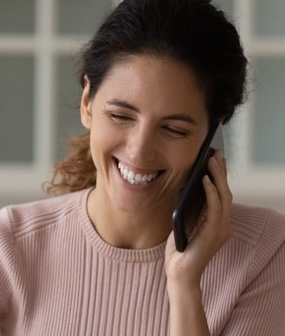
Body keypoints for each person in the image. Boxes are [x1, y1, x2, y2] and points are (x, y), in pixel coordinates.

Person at [0, 0, 284, 335]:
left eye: (174, 129)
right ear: (87, 102)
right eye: (121, 116)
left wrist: (185, 285)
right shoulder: (11, 247)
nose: (139, 151)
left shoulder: (265, 250)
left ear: (212, 136)